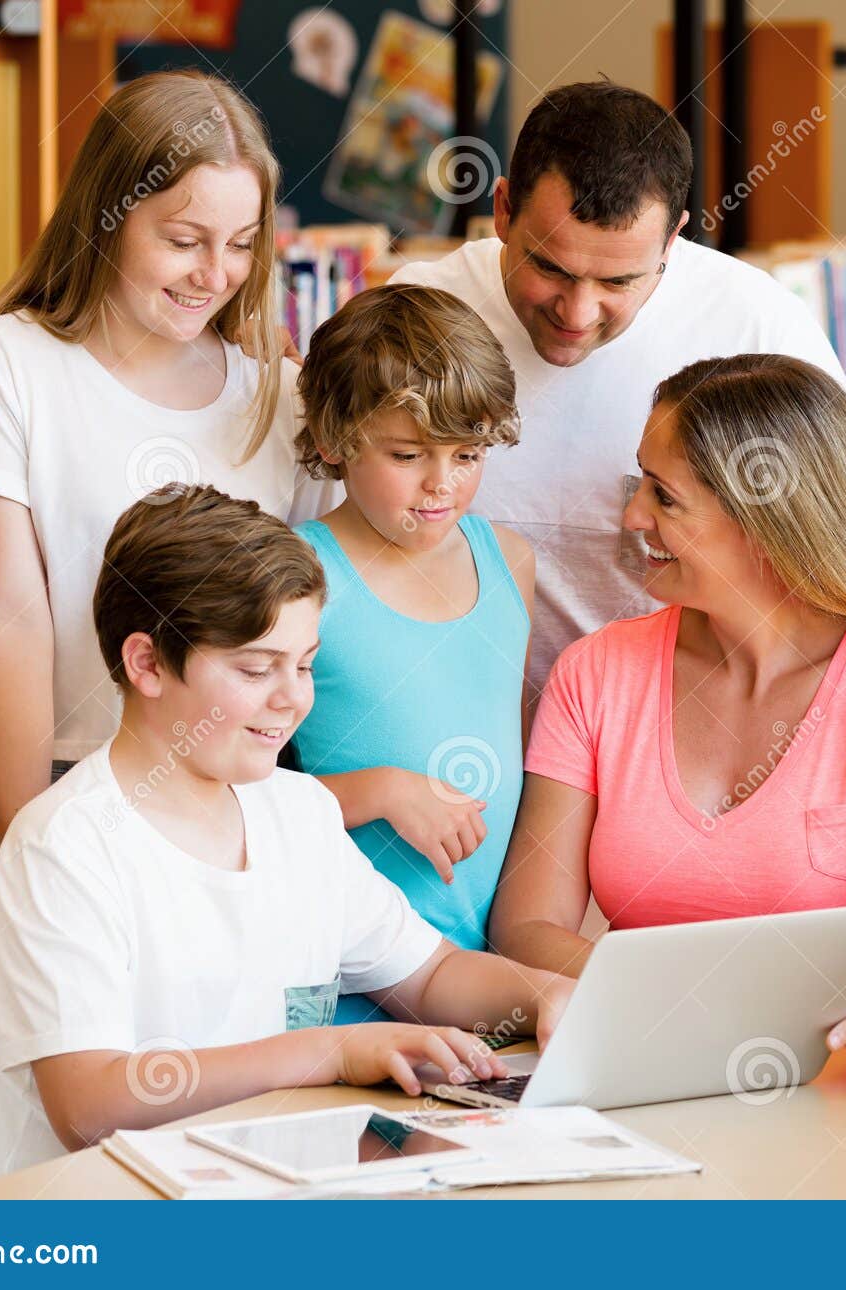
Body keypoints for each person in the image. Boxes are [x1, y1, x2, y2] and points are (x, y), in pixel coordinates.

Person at [0, 486, 572, 1180]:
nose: (293, 698)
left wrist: (543, 995)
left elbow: (434, 973)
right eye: (256, 669)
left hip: (267, 1187)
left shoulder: (297, 814)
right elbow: (86, 1103)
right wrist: (331, 1053)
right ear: (146, 664)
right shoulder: (68, 844)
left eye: (306, 663)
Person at [488, 355, 846, 1087]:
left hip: (835, 1083)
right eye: (640, 484)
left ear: (765, 520)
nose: (632, 517)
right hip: (643, 1070)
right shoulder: (595, 673)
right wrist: (686, 1004)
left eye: (664, 497)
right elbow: (524, 926)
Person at [0, 70, 341, 906]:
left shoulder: (278, 396)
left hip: (242, 801)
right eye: (183, 239)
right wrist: (29, 837)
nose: (214, 273)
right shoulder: (2, 367)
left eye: (244, 242)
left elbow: (319, 608)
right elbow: (7, 610)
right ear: (106, 217)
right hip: (71, 783)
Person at [392, 80, 846, 695]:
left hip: (681, 730)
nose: (577, 314)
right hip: (464, 726)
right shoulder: (414, 315)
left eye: (618, 281)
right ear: (501, 209)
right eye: (550, 266)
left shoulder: (755, 323)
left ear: (674, 237)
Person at [287, 284, 533, 1021]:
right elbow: (223, 801)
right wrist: (383, 790)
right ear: (334, 440)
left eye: (468, 454)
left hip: (488, 977)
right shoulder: (296, 579)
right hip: (344, 982)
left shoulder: (511, 561)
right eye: (407, 454)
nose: (442, 484)